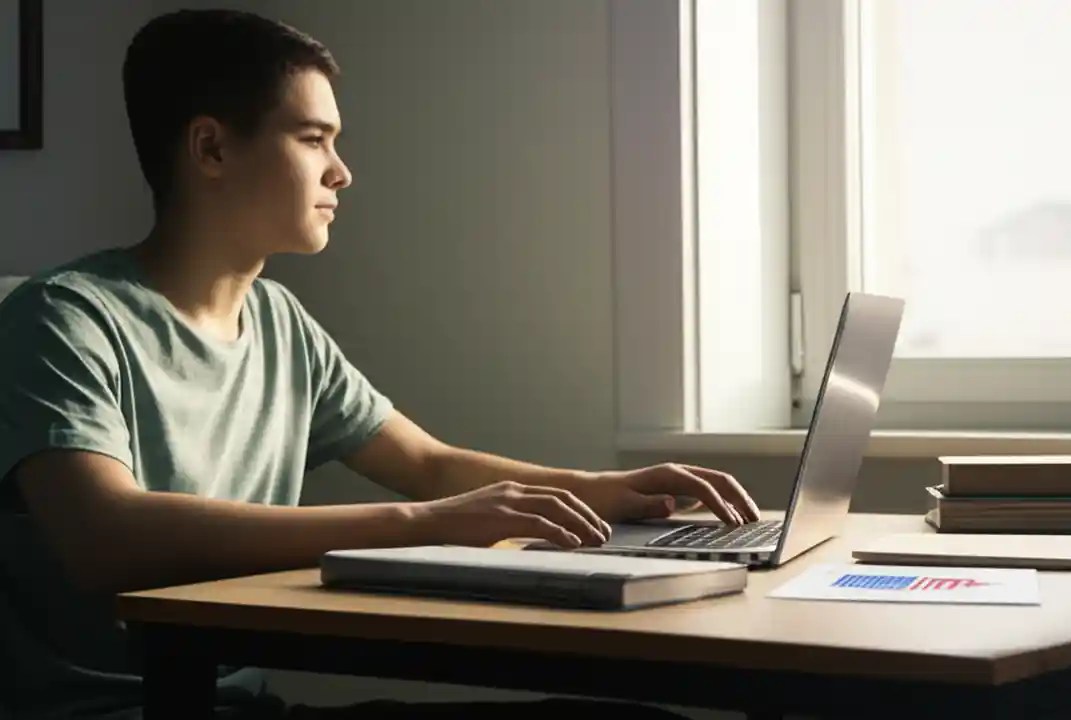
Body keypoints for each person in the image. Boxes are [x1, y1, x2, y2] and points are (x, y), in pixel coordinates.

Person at [0, 8, 760, 719]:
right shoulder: (64, 319)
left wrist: (600, 489)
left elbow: (428, 464)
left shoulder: (278, 320)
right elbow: (107, 535)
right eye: (313, 139)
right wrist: (421, 525)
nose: (342, 172)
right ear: (212, 148)